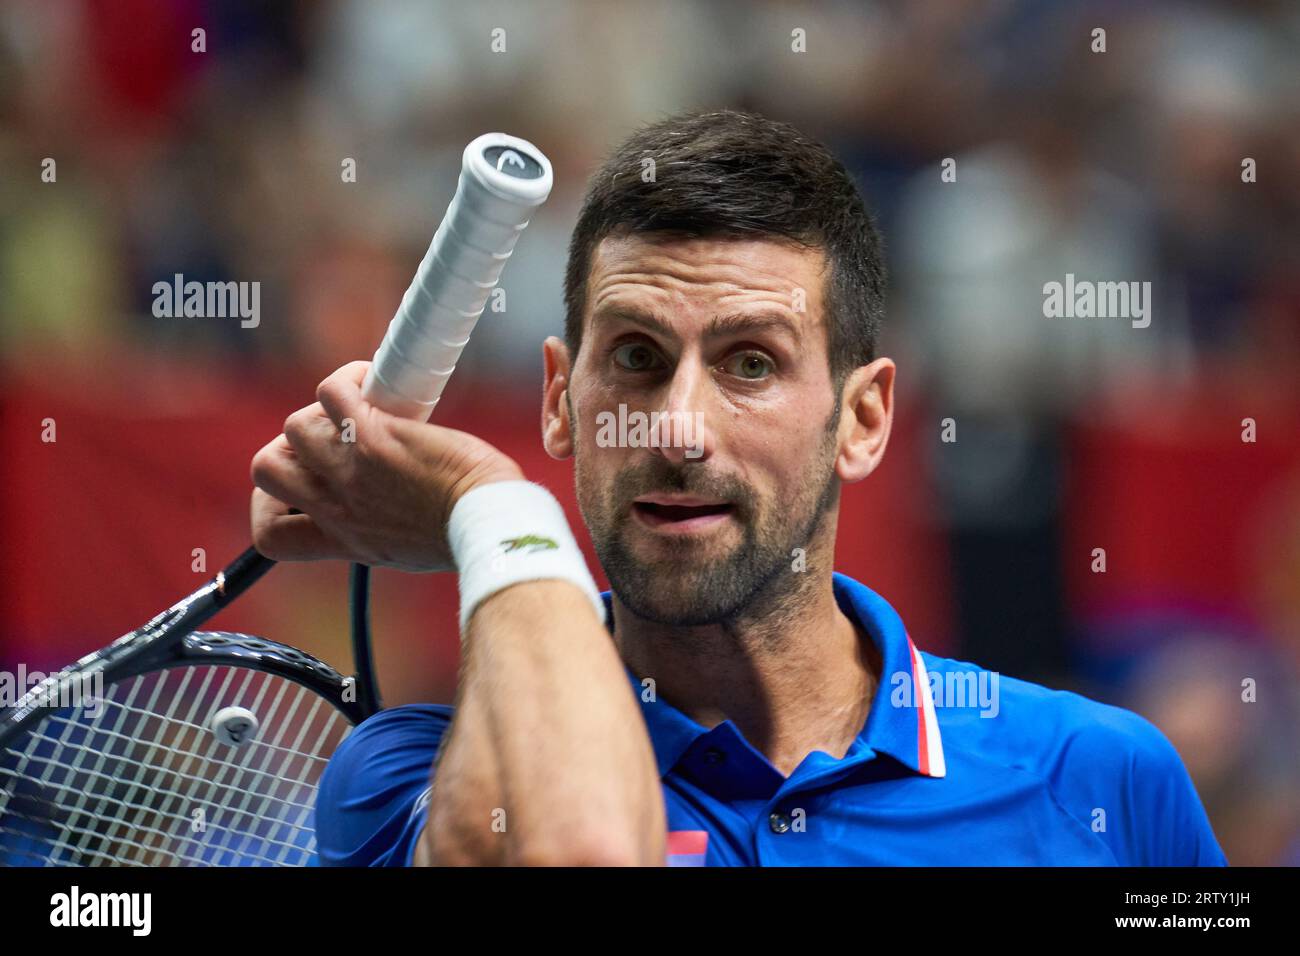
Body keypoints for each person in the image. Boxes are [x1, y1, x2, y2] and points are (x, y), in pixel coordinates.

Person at [250, 109, 1226, 866]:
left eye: (750, 363)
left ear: (863, 418)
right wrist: (487, 500)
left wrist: (493, 518)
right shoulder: (406, 770)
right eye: (635, 355)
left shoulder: (1103, 775)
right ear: (560, 400)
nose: (677, 427)